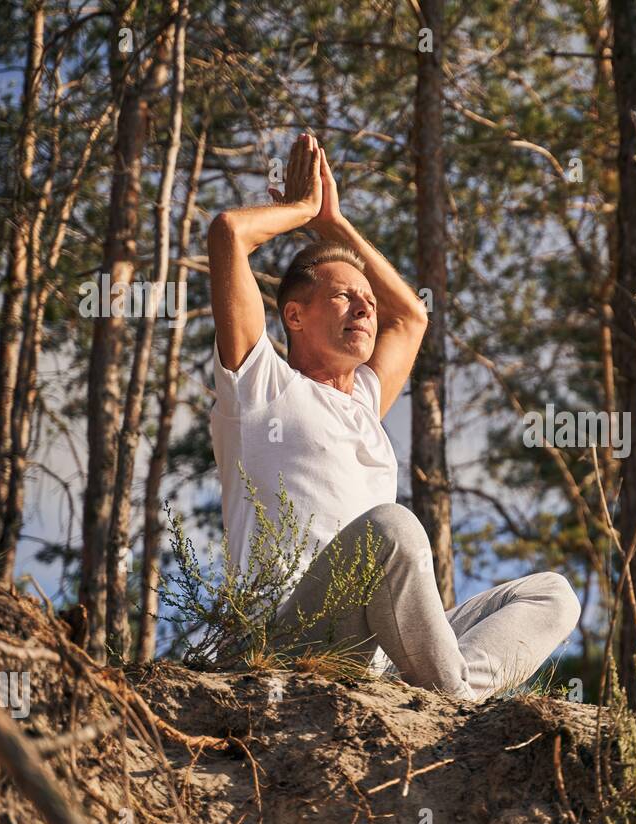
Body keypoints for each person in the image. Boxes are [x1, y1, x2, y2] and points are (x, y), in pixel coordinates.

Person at [206, 132, 581, 701]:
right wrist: (303, 212)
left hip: (377, 653)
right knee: (393, 527)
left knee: (552, 594)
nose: (364, 306)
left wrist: (336, 224)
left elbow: (411, 316)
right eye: (343, 297)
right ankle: (453, 700)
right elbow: (229, 232)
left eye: (367, 300)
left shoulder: (361, 403)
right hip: (290, 635)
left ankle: (452, 692)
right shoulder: (260, 387)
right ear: (295, 315)